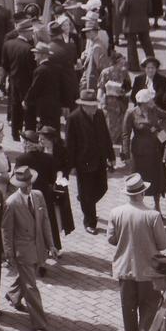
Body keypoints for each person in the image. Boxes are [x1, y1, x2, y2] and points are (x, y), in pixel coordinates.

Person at [107, 173, 166, 331]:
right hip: (149, 271)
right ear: (143, 193)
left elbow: (111, 239)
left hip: (125, 269)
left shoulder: (116, 213)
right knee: (149, 308)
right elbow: (163, 244)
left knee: (128, 307)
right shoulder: (153, 216)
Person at [2, 165, 53, 331]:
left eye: (30, 182)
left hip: (38, 247)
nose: (28, 186)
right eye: (24, 184)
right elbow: (6, 230)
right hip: (22, 251)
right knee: (31, 286)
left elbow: (45, 221)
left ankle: (13, 294)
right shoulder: (11, 203)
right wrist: (9, 254)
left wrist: (50, 244)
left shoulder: (38, 196)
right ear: (18, 185)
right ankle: (39, 324)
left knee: (26, 276)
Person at [65, 91, 115, 233]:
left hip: (99, 159)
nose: (94, 109)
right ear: (84, 106)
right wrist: (71, 165)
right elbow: (70, 144)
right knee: (87, 193)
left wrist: (111, 156)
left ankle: (85, 201)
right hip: (83, 162)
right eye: (91, 106)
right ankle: (90, 222)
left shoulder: (99, 115)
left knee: (102, 188)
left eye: (95, 106)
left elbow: (106, 135)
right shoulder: (73, 118)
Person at [121, 90, 166, 214]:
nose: (151, 101)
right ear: (143, 102)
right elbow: (125, 134)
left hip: (154, 150)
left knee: (156, 179)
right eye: (149, 100)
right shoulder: (131, 113)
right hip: (139, 152)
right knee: (139, 180)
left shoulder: (153, 110)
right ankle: (138, 206)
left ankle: (157, 206)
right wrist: (126, 154)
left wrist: (155, 107)